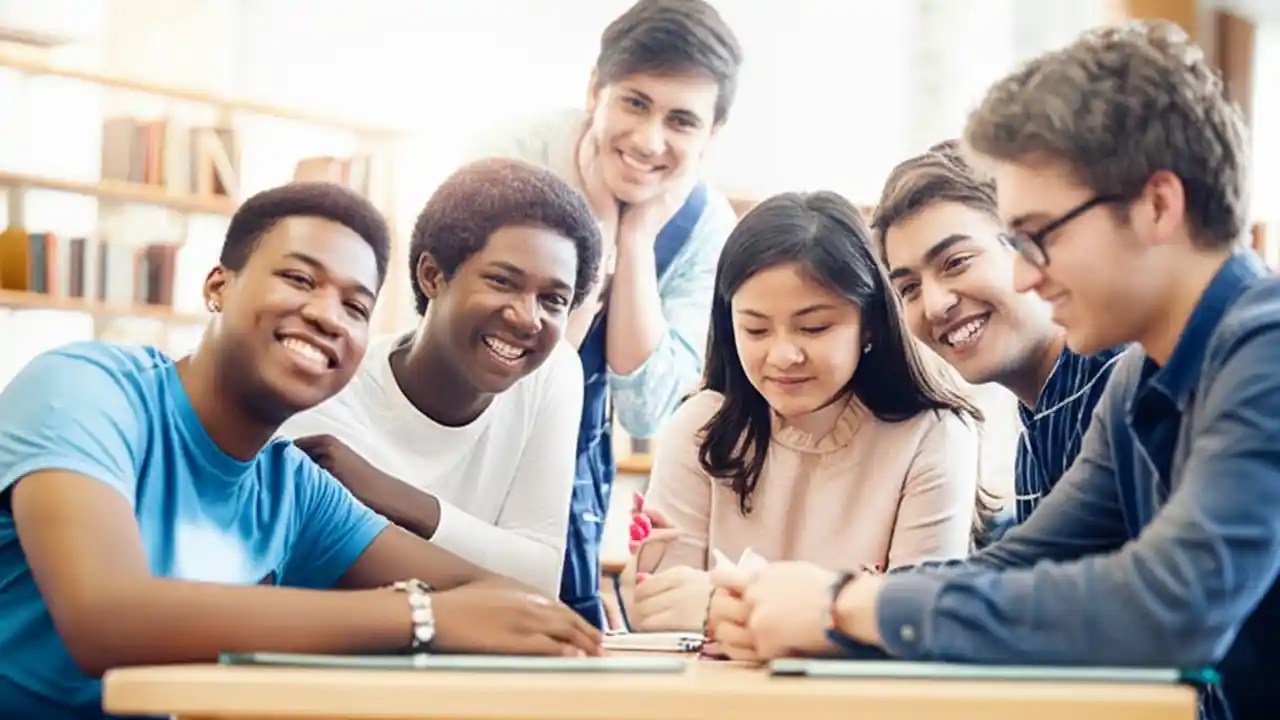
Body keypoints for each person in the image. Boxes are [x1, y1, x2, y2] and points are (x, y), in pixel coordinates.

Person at [707, 21, 1278, 720]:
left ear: (1159, 204)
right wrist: (818, 608)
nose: (1028, 274)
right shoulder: (1136, 387)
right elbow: (1017, 566)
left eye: (1037, 237)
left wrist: (843, 606)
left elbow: (1173, 605)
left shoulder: (1266, 351)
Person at [0, 182, 600, 719]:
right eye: (299, 279)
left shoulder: (295, 489)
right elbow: (107, 619)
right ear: (218, 286)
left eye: (356, 306)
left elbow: (502, 596)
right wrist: (424, 619)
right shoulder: (87, 388)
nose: (324, 315)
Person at [468, 0, 744, 626]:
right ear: (595, 91)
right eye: (635, 103)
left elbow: (647, 408)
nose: (650, 141)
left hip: (576, 463)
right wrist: (593, 235)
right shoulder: (504, 162)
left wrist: (639, 238)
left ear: (713, 135)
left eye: (681, 121)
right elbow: (511, 375)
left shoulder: (706, 229)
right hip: (466, 436)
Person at [622, 191, 982, 632]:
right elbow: (661, 612)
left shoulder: (934, 436)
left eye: (814, 328)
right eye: (754, 328)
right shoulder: (701, 426)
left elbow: (915, 624)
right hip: (715, 696)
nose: (783, 355)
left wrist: (720, 604)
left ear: (869, 322)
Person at [280, 159, 602, 596]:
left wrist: (390, 495)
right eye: (502, 281)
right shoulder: (328, 396)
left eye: (553, 299)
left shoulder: (552, 373)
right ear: (432, 276)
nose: (529, 318)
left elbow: (542, 577)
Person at [872, 141, 1123, 530]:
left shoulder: (1121, 388)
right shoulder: (1033, 440)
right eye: (909, 289)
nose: (935, 305)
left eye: (956, 262)